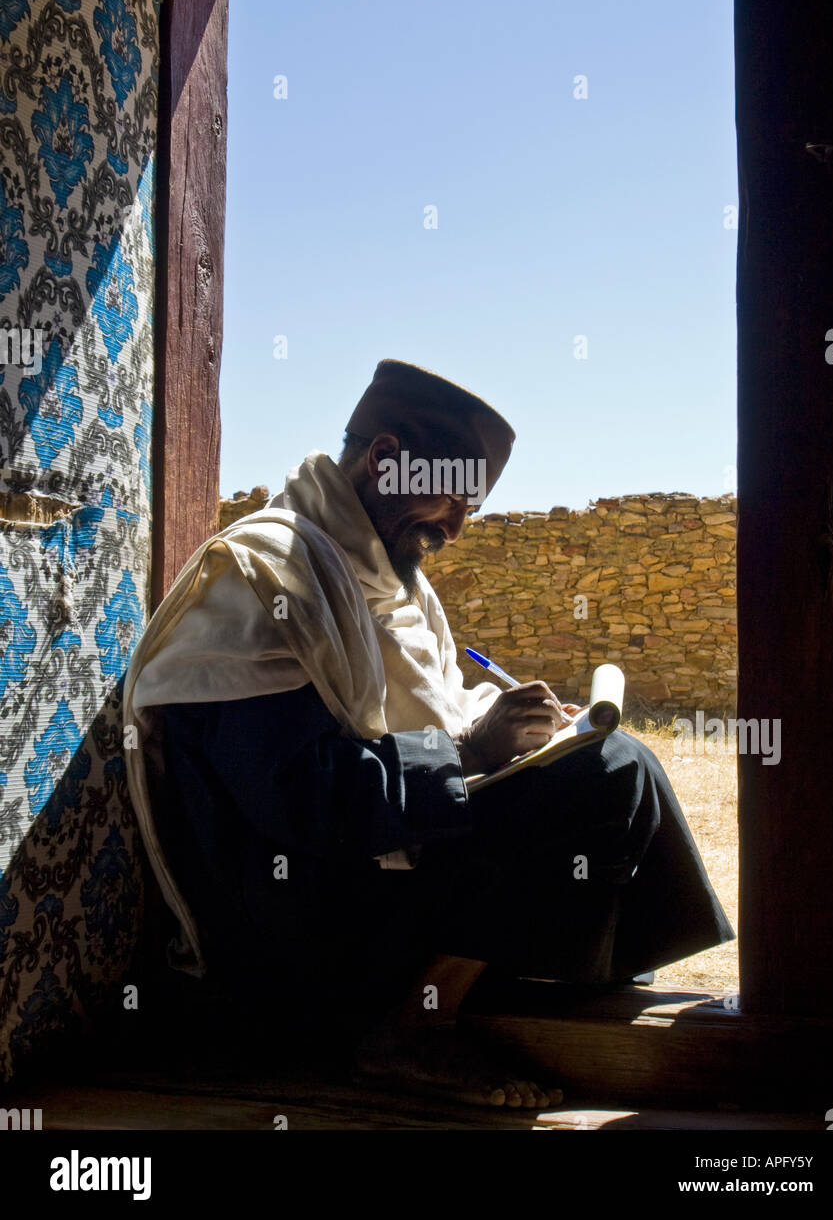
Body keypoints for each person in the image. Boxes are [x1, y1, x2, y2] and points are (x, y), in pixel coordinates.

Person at [123, 360, 734, 1109]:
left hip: (376, 862)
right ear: (385, 459)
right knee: (604, 773)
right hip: (293, 914)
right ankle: (408, 1029)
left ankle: (587, 975)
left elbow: (430, 706)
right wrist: (472, 752)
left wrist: (524, 728)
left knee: (616, 757)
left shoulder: (385, 578)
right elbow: (291, 798)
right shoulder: (262, 576)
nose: (455, 528)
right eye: (452, 500)